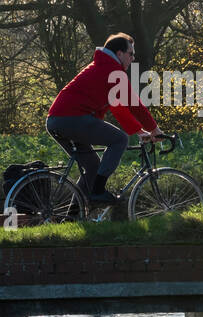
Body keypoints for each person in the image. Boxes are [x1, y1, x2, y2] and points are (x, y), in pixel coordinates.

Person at [46, 33, 163, 203]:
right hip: (72, 119)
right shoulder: (112, 71)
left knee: (93, 167)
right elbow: (134, 105)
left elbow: (118, 107)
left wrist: (139, 131)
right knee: (119, 140)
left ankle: (72, 216)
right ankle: (98, 190)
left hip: (57, 121)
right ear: (119, 54)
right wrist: (155, 129)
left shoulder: (102, 67)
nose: (133, 58)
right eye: (130, 54)